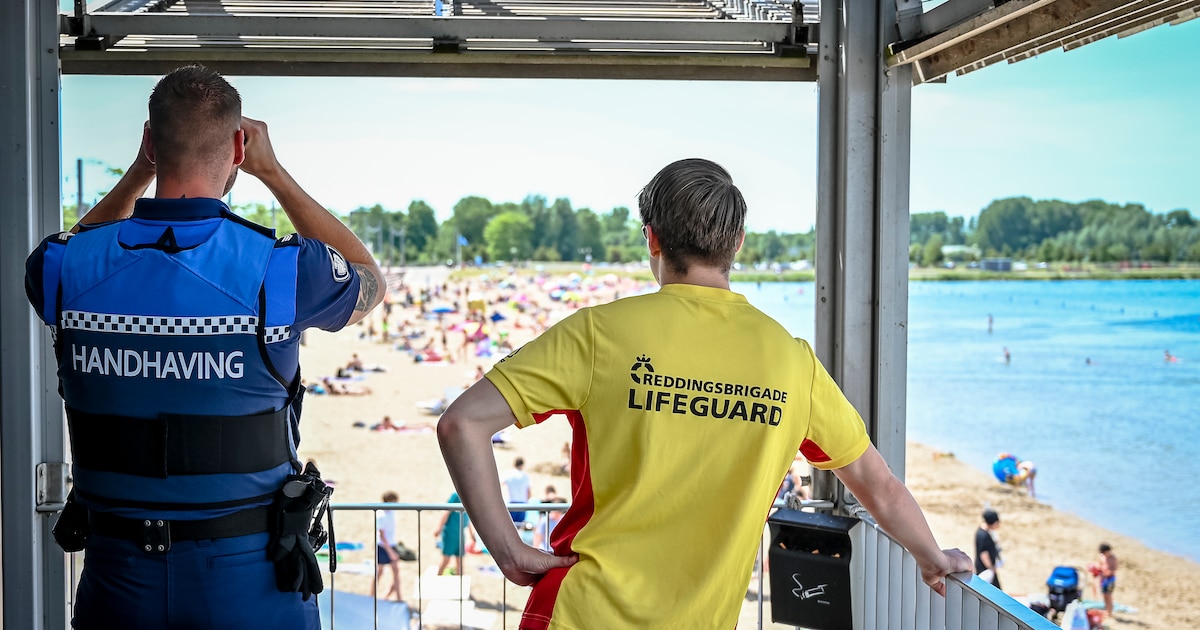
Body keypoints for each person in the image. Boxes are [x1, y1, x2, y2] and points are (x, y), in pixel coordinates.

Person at [436, 158, 970, 629]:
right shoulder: (791, 361)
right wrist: (930, 556)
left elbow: (461, 424)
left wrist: (508, 551)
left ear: (653, 238)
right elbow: (878, 484)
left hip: (579, 612)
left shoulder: (599, 333)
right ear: (736, 243)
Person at [24, 65, 385, 629]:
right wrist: (275, 173)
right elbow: (368, 279)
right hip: (248, 575)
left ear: (148, 141)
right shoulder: (278, 269)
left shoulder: (64, 268)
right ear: (239, 146)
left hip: (116, 572)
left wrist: (137, 175)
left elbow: (78, 249)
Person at [434, 492, 475, 576]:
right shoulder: (456, 495)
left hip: (460, 534)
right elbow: (446, 512)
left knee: (459, 560)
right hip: (450, 532)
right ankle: (437, 579)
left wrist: (471, 534)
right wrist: (439, 528)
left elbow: (468, 517)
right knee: (446, 560)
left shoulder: (470, 496)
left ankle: (460, 582)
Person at [375, 491, 402, 601]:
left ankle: (397, 597)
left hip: (392, 544)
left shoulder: (391, 512)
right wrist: (390, 551)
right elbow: (382, 535)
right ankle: (372, 596)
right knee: (379, 572)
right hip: (383, 546)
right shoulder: (382, 515)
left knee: (396, 572)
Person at [974, 509, 1002, 588]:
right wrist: (991, 568)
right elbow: (984, 554)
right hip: (986, 569)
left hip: (985, 568)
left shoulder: (982, 532)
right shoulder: (983, 535)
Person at [502, 456, 531, 524]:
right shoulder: (525, 476)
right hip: (522, 503)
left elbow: (501, 484)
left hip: (511, 502)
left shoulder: (508, 474)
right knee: (519, 526)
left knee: (510, 525)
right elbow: (529, 491)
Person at [1096, 542, 1118, 618]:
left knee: (1109, 595)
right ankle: (1107, 610)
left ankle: (1110, 611)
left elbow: (1114, 569)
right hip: (1103, 578)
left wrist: (1107, 573)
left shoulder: (1113, 558)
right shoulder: (1101, 556)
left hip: (1110, 579)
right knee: (1104, 595)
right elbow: (1099, 566)